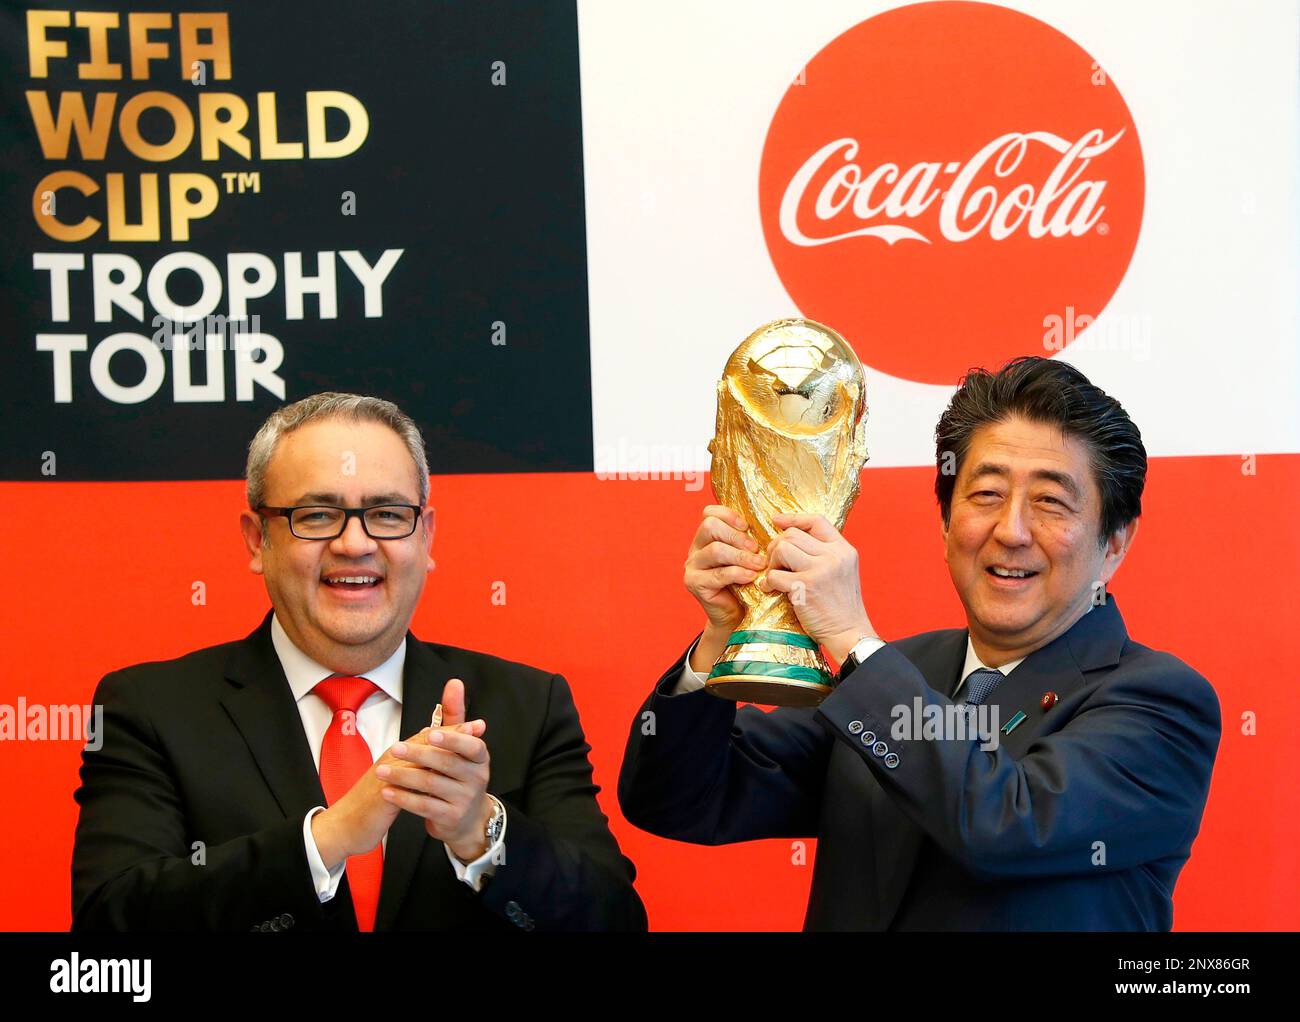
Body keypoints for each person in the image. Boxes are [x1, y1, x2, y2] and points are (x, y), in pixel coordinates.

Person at [619, 356, 1220, 930]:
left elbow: (1004, 824)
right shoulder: (900, 670)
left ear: (1114, 543)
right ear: (945, 521)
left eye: (1050, 502)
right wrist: (725, 632)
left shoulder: (1160, 703)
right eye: (985, 494)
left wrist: (852, 639)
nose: (1010, 531)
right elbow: (676, 798)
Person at [72, 392, 646, 932]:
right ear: (256, 540)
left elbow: (613, 921)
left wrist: (481, 834)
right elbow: (110, 921)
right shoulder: (152, 708)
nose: (355, 544)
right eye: (317, 515)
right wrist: (329, 839)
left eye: (388, 514)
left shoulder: (526, 704)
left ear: (426, 537)